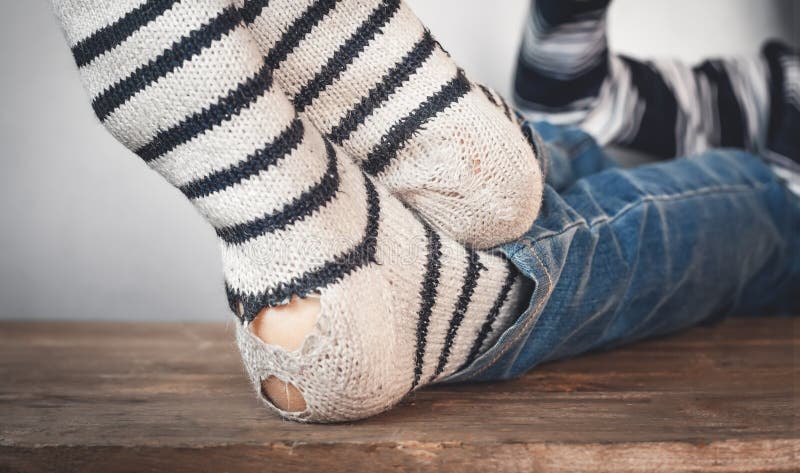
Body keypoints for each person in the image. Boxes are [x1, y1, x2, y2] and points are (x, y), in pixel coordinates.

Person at [50, 0, 799, 423]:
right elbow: (584, 105)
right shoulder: (779, 82)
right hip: (729, 115)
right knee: (551, 152)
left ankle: (431, 276)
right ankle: (431, 255)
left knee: (761, 202)